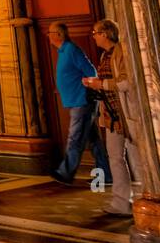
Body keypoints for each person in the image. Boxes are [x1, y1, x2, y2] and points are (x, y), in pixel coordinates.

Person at [83, 18, 139, 217]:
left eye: (95, 33)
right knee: (115, 157)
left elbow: (127, 81)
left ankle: (145, 200)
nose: (94, 37)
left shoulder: (120, 52)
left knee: (137, 157)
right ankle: (122, 201)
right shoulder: (105, 55)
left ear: (105, 34)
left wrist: (101, 84)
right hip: (110, 114)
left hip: (127, 113)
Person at [48, 21, 110, 185]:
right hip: (76, 101)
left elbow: (91, 71)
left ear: (59, 34)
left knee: (74, 138)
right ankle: (106, 175)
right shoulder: (63, 51)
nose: (48, 35)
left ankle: (66, 172)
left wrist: (88, 84)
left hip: (82, 101)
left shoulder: (71, 50)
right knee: (94, 141)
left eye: (51, 32)